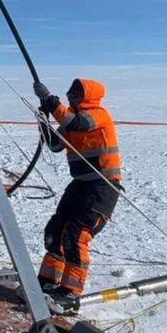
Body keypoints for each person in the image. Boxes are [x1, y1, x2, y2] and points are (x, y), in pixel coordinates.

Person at [32, 78, 123, 314]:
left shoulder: (97, 115)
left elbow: (77, 123)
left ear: (88, 96)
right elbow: (55, 145)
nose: (70, 95)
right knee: (56, 230)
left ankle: (70, 294)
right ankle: (46, 283)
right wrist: (43, 122)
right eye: (70, 92)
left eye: (75, 92)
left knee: (75, 236)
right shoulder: (71, 119)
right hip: (79, 185)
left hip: (101, 187)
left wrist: (50, 100)